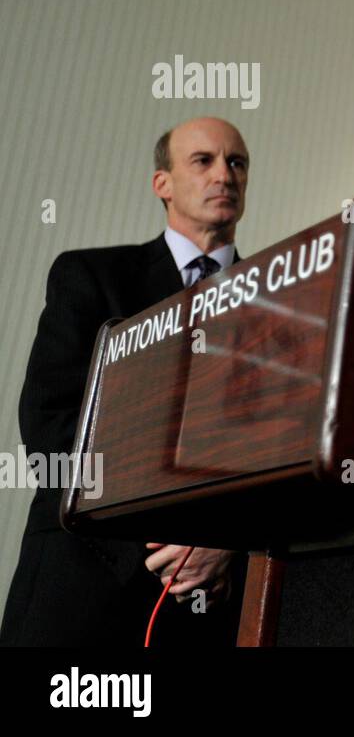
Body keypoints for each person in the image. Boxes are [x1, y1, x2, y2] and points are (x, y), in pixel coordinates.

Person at [1, 117, 251, 646]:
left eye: (236, 162)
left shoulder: (279, 304)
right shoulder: (90, 277)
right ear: (162, 183)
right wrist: (165, 537)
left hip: (209, 604)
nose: (223, 175)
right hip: (82, 584)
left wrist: (226, 541)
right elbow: (52, 426)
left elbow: (276, 452)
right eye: (202, 161)